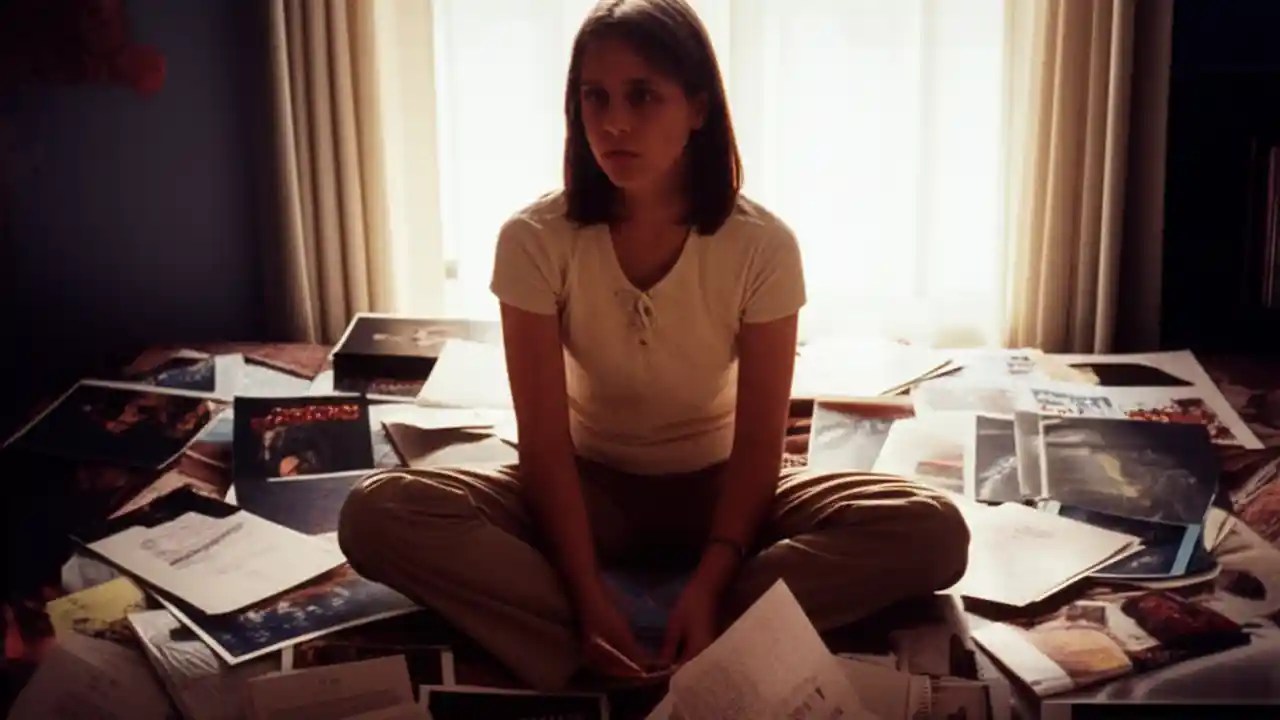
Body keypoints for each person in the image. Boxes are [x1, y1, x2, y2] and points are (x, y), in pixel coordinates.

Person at [337, 0, 970, 692]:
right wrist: (584, 590)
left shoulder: (761, 245)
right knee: (377, 514)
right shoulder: (535, 239)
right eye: (595, 97)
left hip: (727, 488)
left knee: (933, 530)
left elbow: (762, 447)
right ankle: (622, 629)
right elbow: (544, 443)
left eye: (642, 96)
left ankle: (694, 618)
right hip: (586, 487)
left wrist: (714, 574)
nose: (613, 122)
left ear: (698, 107)